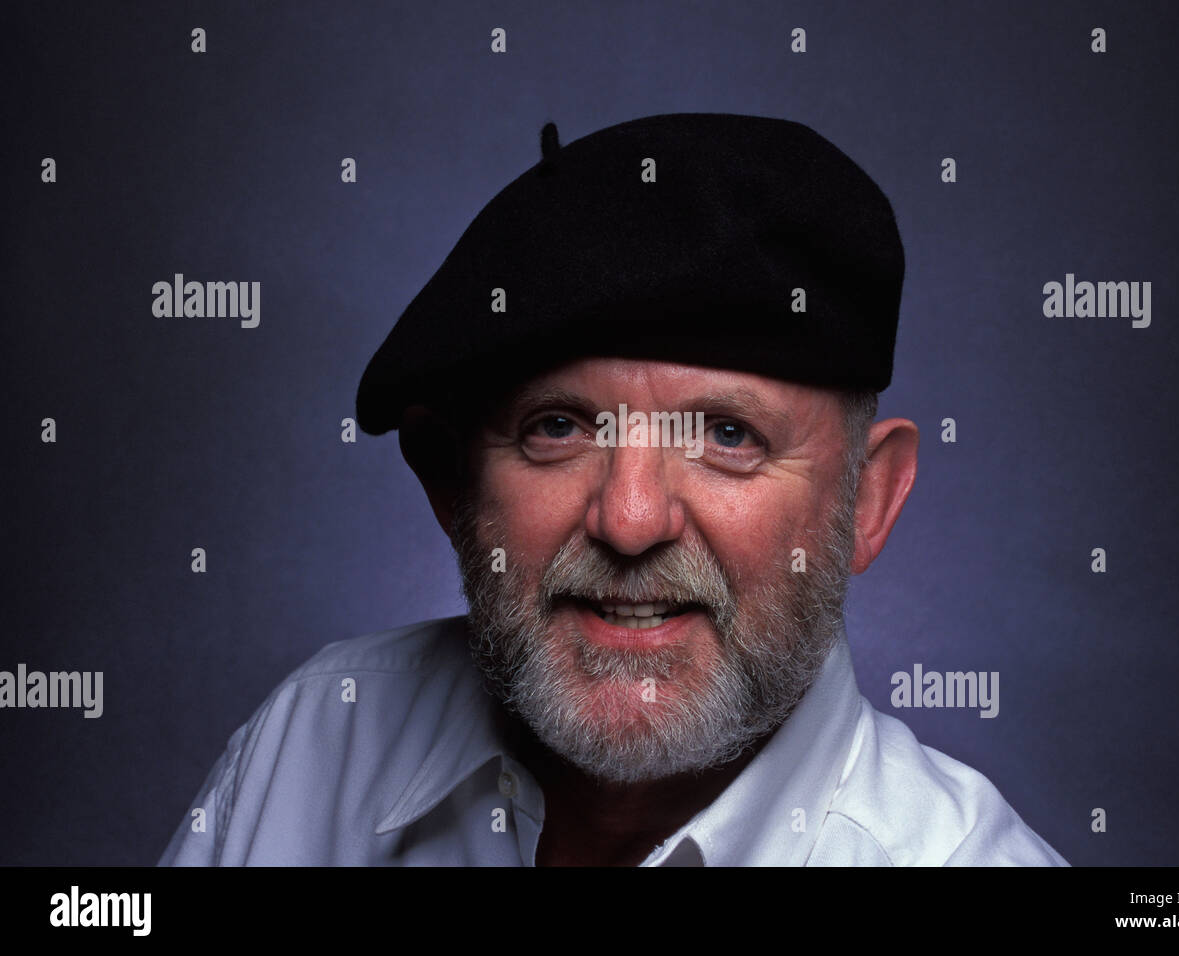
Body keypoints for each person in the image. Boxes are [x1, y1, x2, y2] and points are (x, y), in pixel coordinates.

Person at [160, 113, 1066, 866]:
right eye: (559, 427)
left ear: (866, 502)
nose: (631, 521)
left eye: (726, 435)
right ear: (450, 483)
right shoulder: (310, 745)